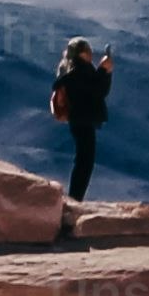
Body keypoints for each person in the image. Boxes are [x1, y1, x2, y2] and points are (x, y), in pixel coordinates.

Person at [46, 32, 114, 199]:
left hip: (79, 118)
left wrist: (104, 72)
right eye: (88, 50)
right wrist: (104, 71)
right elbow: (96, 90)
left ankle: (76, 196)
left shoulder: (74, 69)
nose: (91, 54)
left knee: (84, 160)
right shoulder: (79, 69)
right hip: (82, 118)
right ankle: (75, 197)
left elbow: (97, 90)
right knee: (84, 161)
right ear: (81, 53)